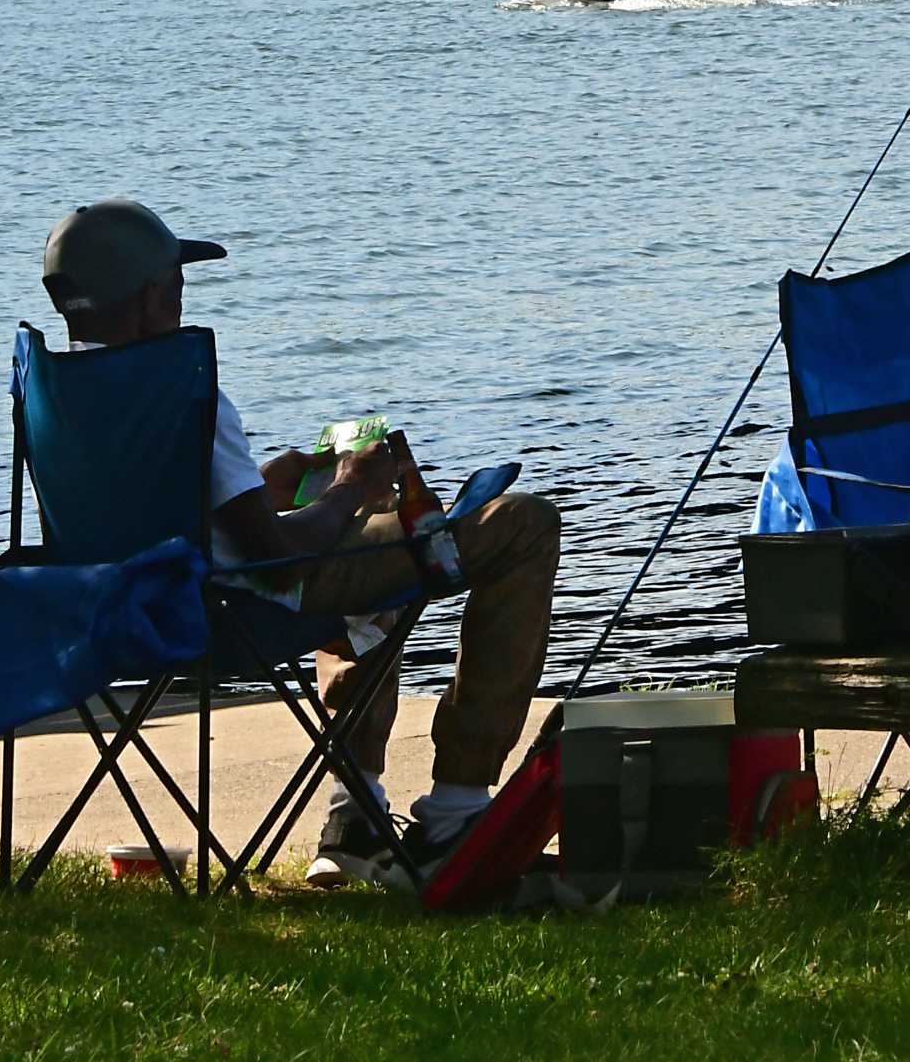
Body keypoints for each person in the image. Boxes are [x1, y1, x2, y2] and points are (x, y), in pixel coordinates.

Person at [37, 199, 562, 887]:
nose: (180, 298)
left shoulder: (55, 393)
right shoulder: (181, 391)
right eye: (176, 284)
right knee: (519, 522)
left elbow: (159, 511)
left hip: (121, 612)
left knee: (363, 534)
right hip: (232, 612)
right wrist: (349, 487)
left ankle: (355, 817)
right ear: (148, 296)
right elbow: (274, 560)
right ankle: (457, 808)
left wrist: (259, 486)